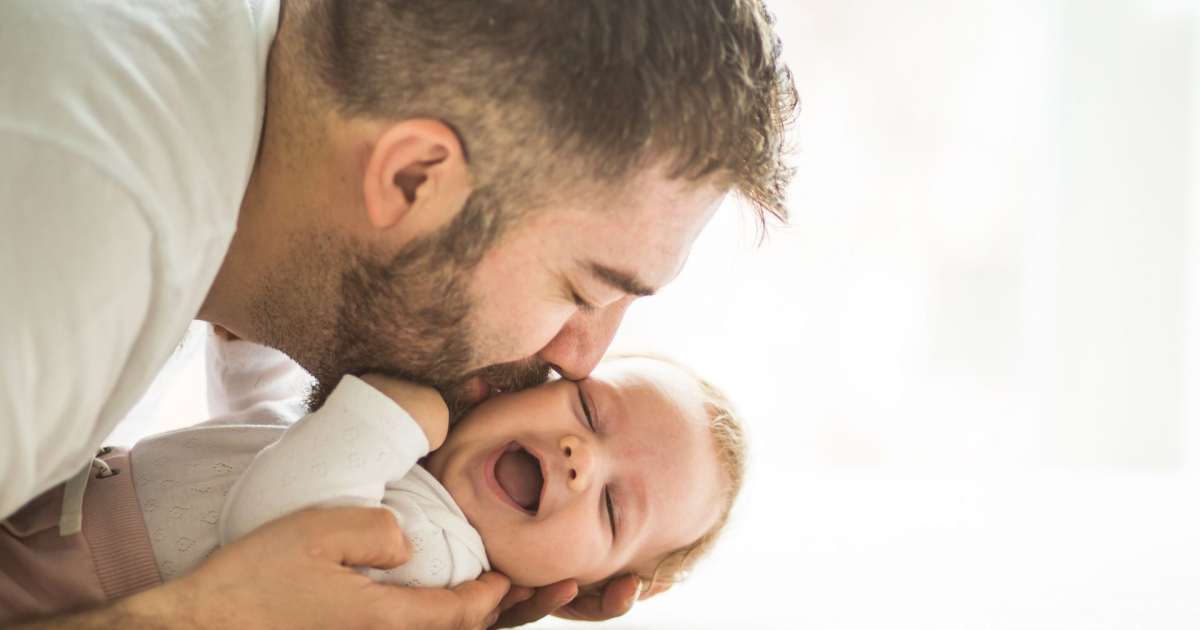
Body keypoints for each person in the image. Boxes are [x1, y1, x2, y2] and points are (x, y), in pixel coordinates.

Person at [0, 0, 795, 626]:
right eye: (586, 289)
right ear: (414, 179)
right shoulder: (62, 267)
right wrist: (201, 620)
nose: (581, 358)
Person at [0, 336, 746, 625]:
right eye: (588, 408)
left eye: (614, 507)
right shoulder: (400, 473)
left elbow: (273, 526)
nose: (584, 458)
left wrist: (398, 412)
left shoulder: (433, 564)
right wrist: (254, 340)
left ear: (583, 588)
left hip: (61, 584)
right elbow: (263, 437)